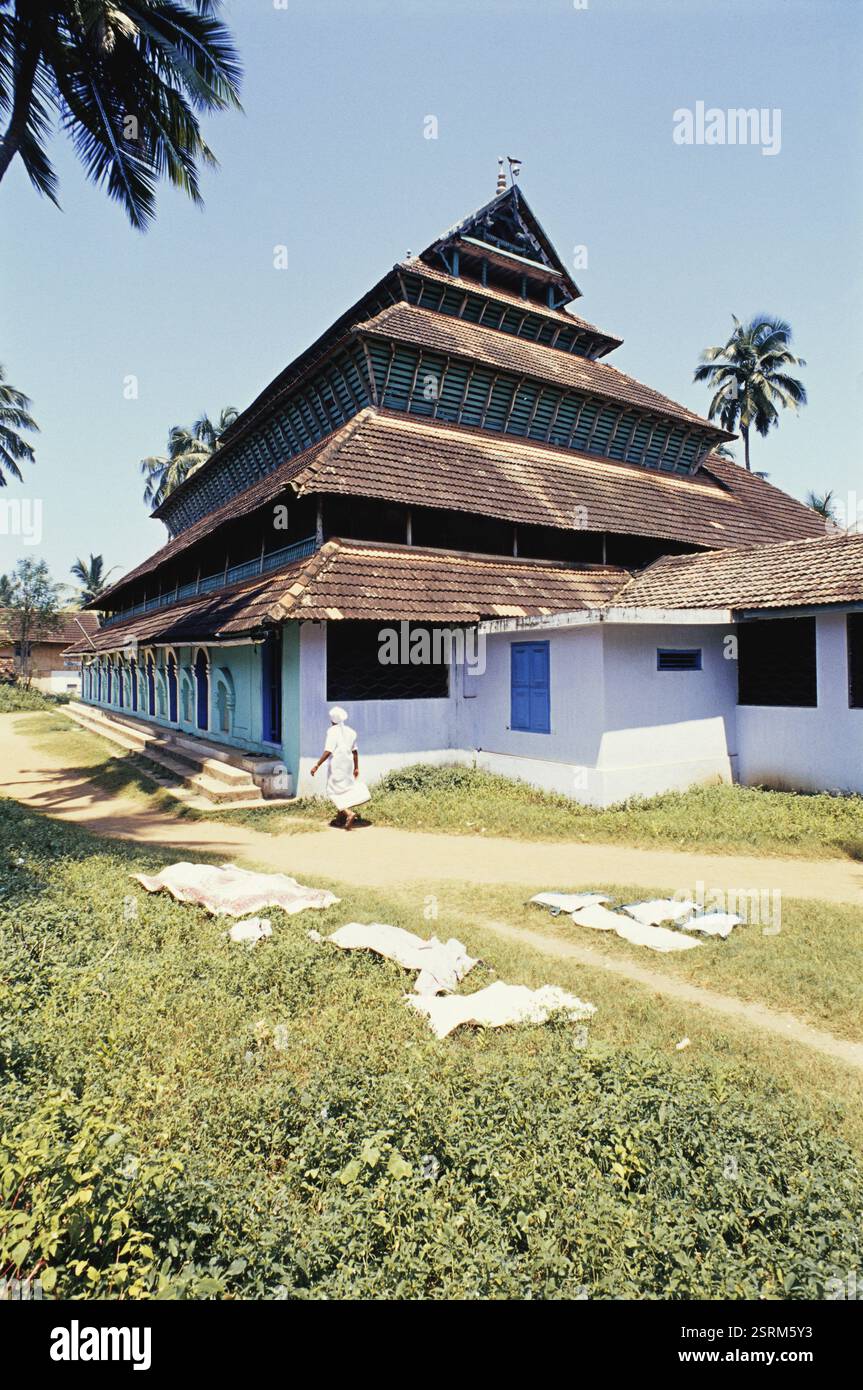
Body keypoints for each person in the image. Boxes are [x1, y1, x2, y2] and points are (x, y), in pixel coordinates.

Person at [310, 706, 371, 829]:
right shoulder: (351, 732)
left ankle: (348, 813)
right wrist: (356, 767)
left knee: (333, 791)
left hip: (336, 766)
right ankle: (339, 819)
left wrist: (317, 765)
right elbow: (355, 751)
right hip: (348, 765)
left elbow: (328, 751)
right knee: (343, 790)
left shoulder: (332, 731)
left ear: (332, 720)